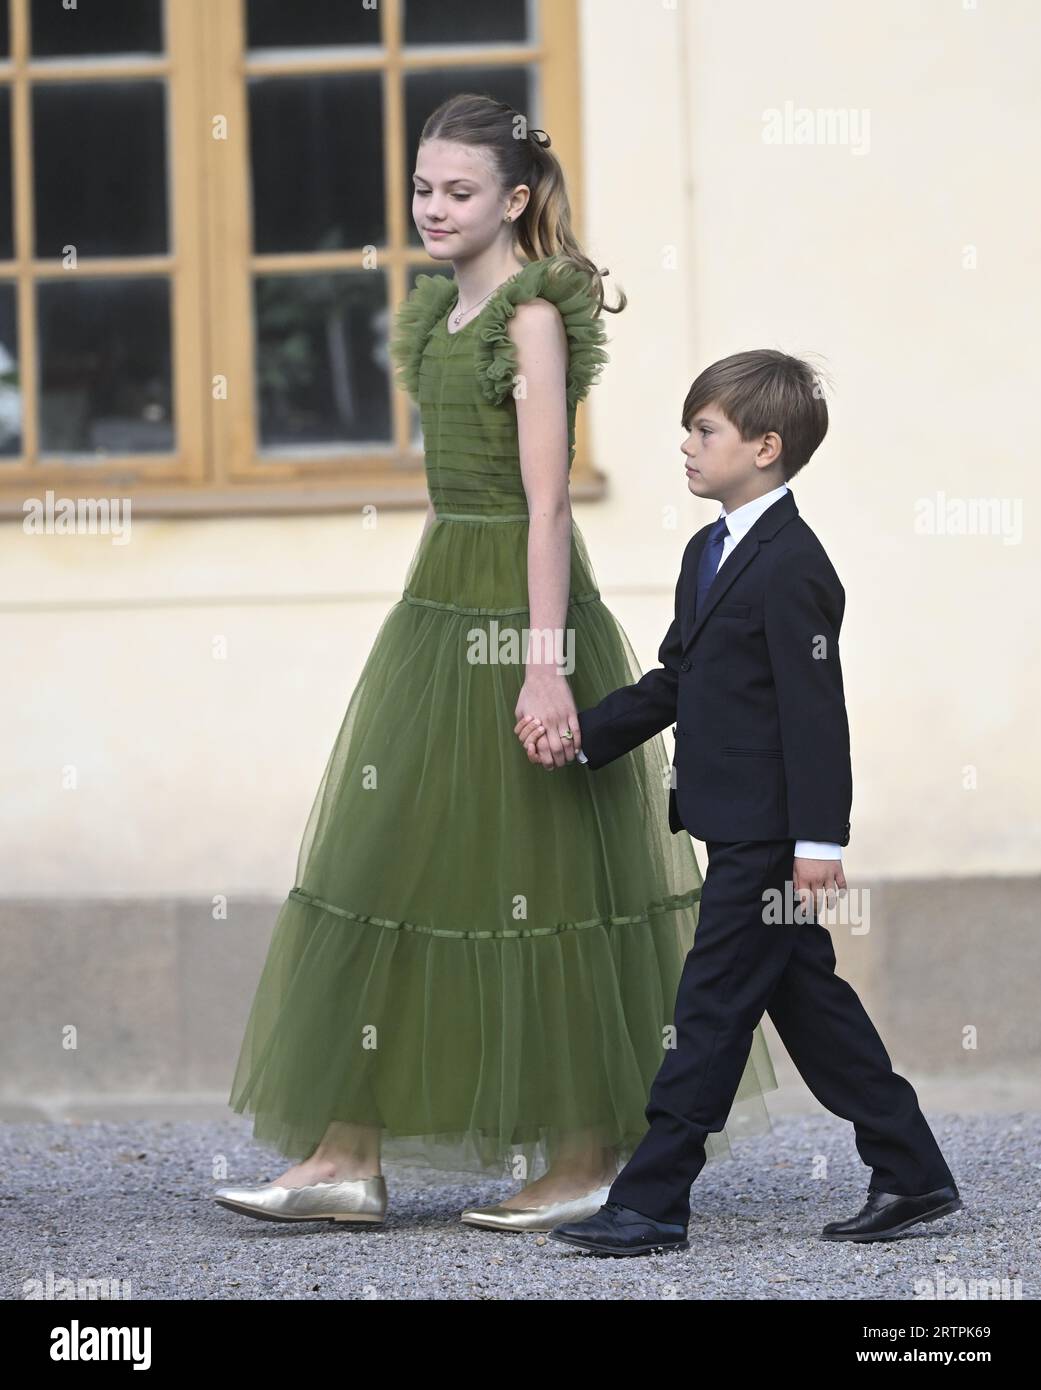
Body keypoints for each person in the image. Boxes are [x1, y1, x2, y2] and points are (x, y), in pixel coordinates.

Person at [213, 95, 777, 1232]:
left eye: (459, 191)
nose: (433, 208)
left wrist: (544, 667)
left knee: (550, 879)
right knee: (387, 865)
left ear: (515, 199)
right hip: (436, 610)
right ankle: (344, 1156)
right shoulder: (442, 315)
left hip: (519, 617)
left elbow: (546, 499)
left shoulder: (531, 318)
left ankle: (582, 1158)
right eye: (423, 187)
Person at [518, 351, 962, 1255]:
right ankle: (912, 1171)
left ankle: (649, 1202)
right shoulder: (707, 552)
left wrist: (818, 841)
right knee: (810, 1006)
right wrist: (584, 733)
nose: (684, 445)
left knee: (710, 1007)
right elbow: (677, 678)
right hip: (731, 825)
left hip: (768, 837)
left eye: (703, 430)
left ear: (764, 448)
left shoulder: (793, 565)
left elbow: (815, 715)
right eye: (689, 427)